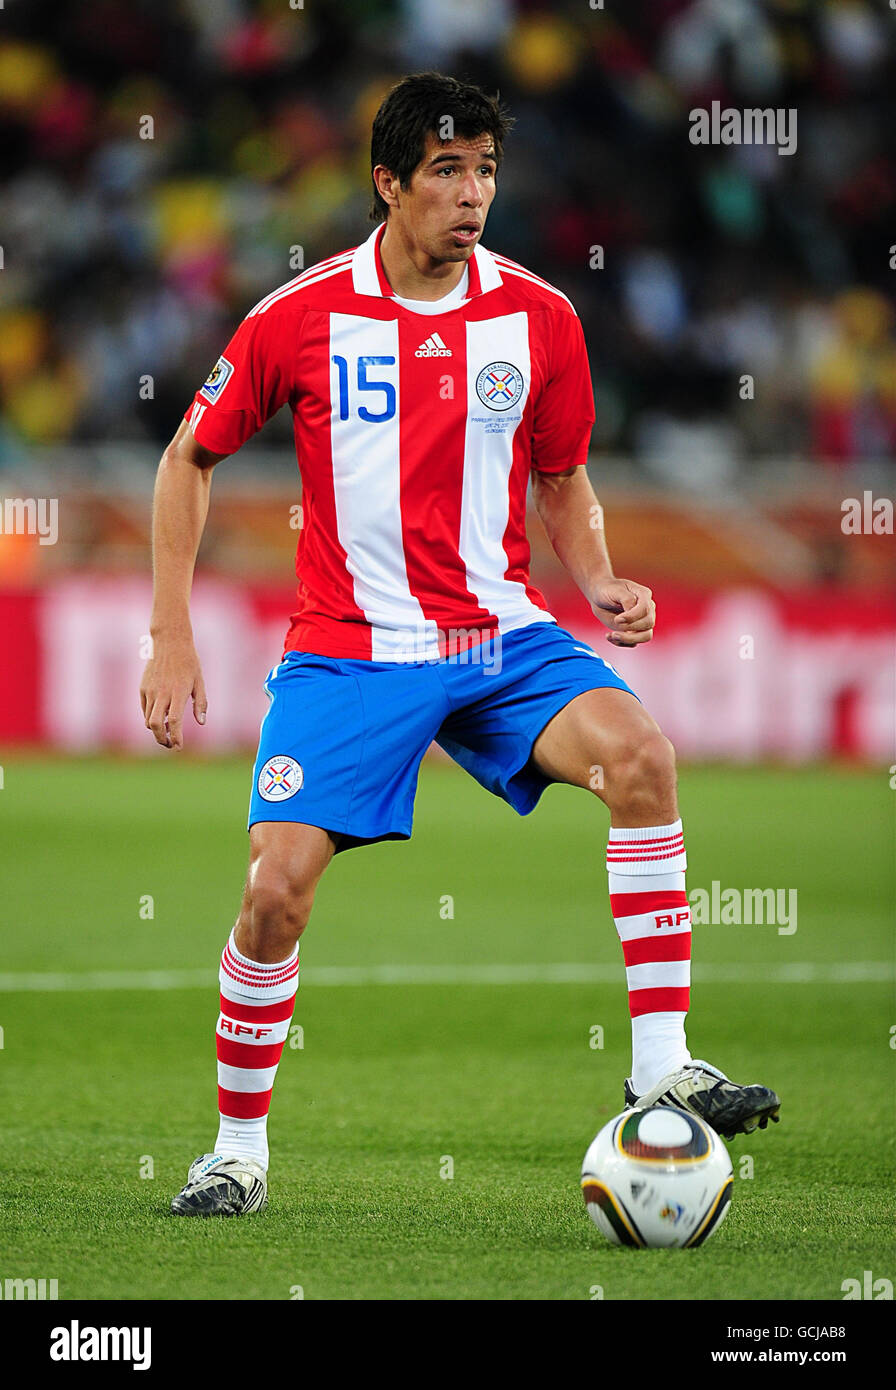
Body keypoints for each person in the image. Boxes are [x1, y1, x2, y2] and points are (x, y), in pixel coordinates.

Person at [140, 72, 779, 1217]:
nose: (472, 192)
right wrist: (169, 633)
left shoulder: (539, 315)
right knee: (274, 892)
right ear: (386, 183)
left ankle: (659, 1064)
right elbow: (186, 458)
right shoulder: (300, 315)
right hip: (349, 650)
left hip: (500, 639)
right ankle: (237, 1153)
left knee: (642, 758)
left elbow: (563, 477)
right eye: (445, 171)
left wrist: (598, 581)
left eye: (484, 168)